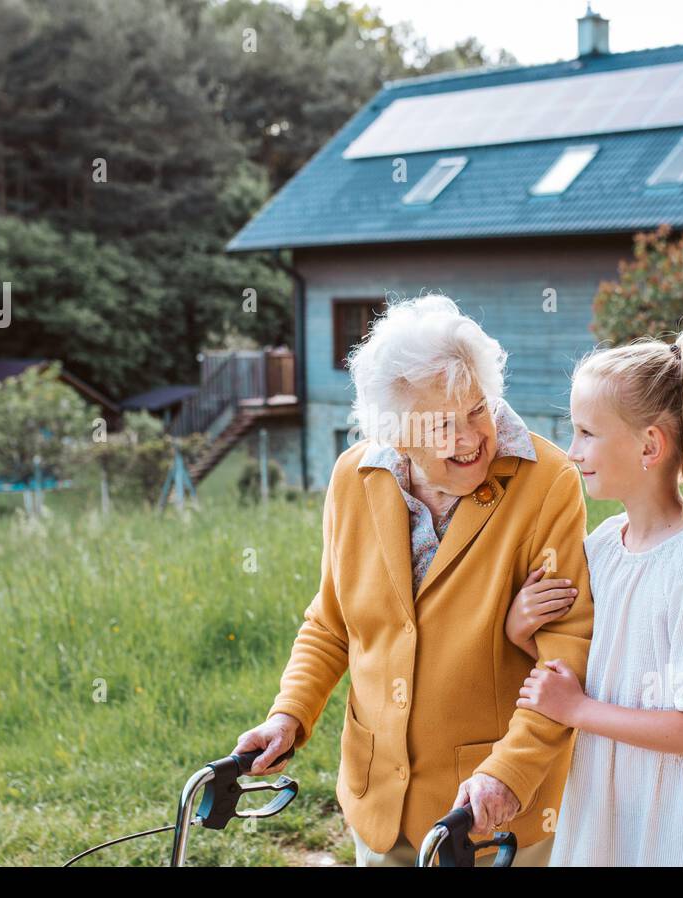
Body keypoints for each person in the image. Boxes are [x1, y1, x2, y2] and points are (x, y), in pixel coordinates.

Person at [230, 293, 594, 866]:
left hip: (488, 809)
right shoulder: (354, 477)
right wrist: (288, 714)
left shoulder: (546, 482)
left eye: (478, 409)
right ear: (396, 430)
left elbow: (567, 651)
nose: (471, 438)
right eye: (442, 425)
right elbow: (331, 621)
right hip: (379, 799)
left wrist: (510, 771)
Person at [506, 318, 683, 866]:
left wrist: (577, 709)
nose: (571, 451)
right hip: (611, 806)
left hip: (681, 823)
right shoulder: (601, 547)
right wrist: (523, 633)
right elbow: (597, 671)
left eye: (586, 433)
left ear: (650, 445)